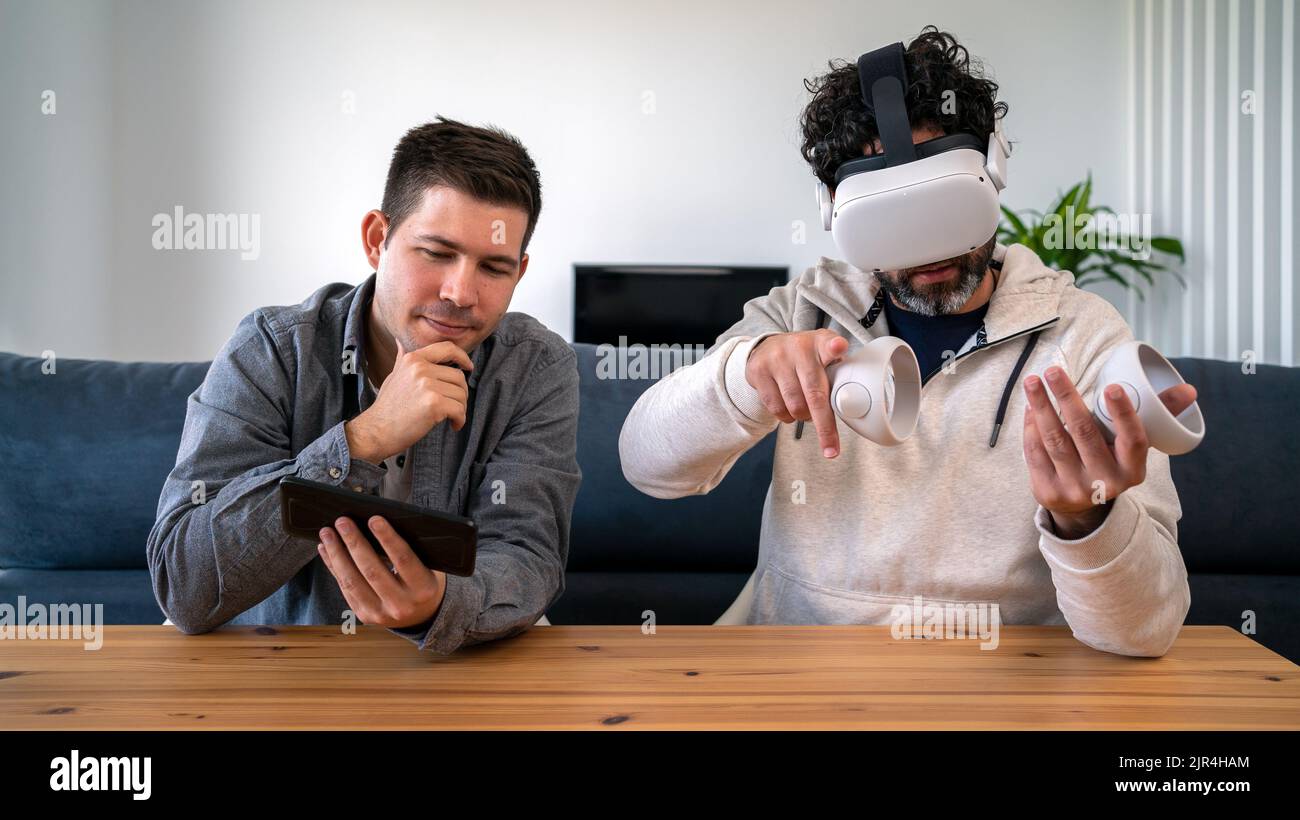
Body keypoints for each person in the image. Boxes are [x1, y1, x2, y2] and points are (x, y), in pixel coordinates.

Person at [618, 28, 1196, 657]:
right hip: (799, 665)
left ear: (992, 173)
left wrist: (1088, 521)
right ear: (834, 210)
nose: (930, 248)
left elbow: (1146, 631)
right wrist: (746, 377)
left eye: (946, 207)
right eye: (890, 216)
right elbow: (647, 468)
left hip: (1000, 674)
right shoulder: (799, 315)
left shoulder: (1081, 337)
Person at [148, 117, 580, 655]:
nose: (461, 292)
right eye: (437, 253)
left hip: (460, 664)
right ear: (378, 240)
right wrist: (363, 440)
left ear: (518, 272)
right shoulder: (273, 349)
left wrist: (441, 602)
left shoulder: (536, 367)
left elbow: (527, 554)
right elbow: (184, 585)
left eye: (493, 267)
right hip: (282, 665)